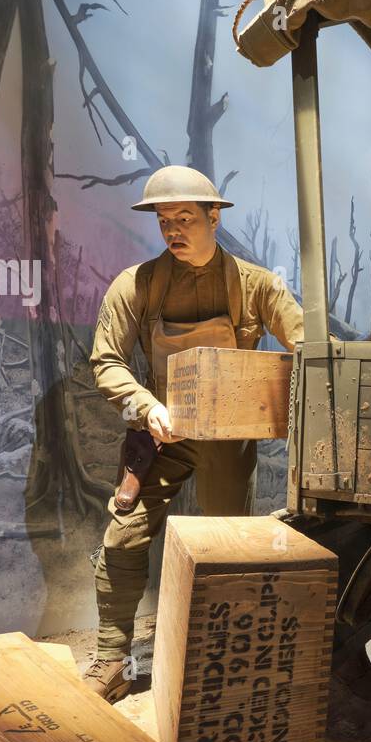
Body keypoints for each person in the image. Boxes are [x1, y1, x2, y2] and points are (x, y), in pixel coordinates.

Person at [84, 165, 304, 702]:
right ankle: (113, 658)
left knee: (224, 547)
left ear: (214, 216)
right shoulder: (138, 284)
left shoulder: (256, 286)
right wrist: (144, 403)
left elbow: (309, 348)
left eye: (185, 218)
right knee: (123, 534)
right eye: (164, 221)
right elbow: (106, 360)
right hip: (161, 434)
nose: (173, 230)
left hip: (229, 441)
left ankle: (222, 659)